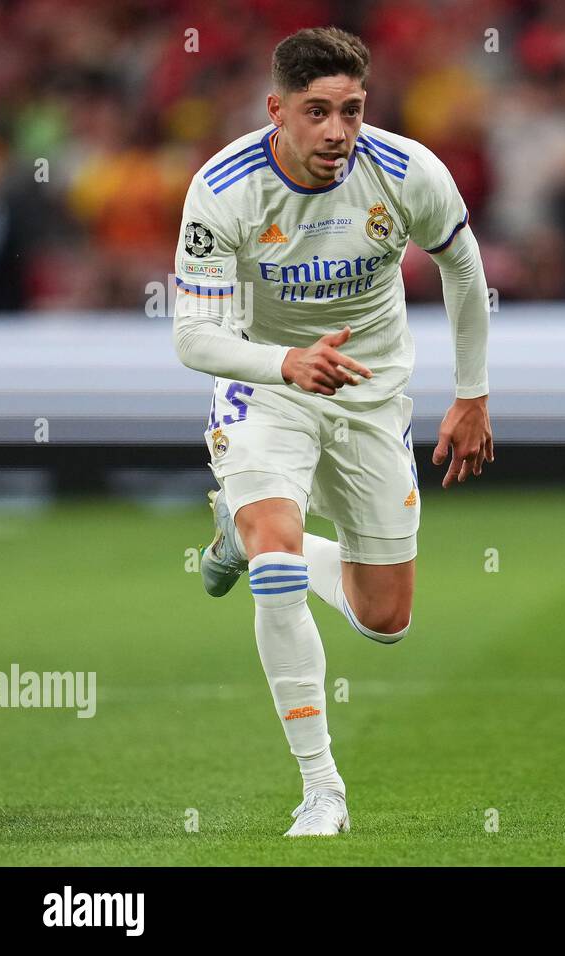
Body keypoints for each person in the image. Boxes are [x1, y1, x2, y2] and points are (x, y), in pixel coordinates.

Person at [172, 26, 492, 836]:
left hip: (371, 392)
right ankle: (322, 792)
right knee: (280, 558)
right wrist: (283, 365)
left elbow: (462, 265)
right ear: (278, 109)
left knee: (386, 619)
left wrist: (471, 395)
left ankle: (242, 540)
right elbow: (192, 338)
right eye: (316, 112)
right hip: (266, 385)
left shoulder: (407, 171)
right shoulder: (224, 189)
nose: (336, 132)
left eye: (350, 110)